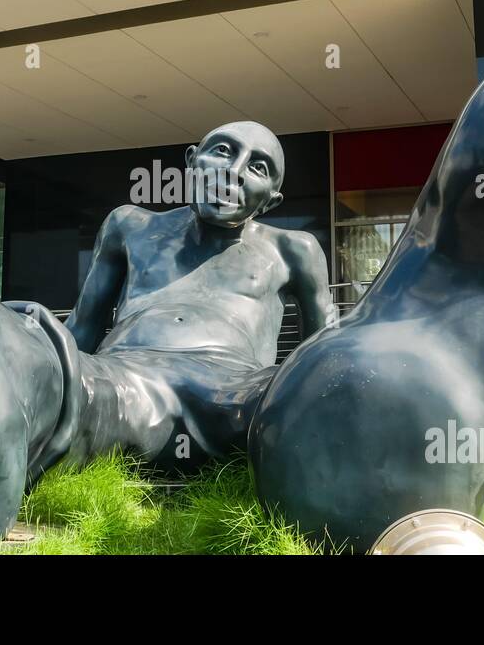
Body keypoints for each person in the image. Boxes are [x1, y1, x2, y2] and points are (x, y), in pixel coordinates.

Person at [60, 121, 336, 471]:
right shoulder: (129, 226)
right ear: (192, 160)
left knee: (288, 400)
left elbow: (322, 359)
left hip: (234, 391)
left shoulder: (293, 250)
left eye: (257, 167)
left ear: (270, 200)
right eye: (222, 151)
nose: (232, 172)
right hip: (124, 377)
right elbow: (82, 328)